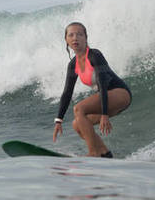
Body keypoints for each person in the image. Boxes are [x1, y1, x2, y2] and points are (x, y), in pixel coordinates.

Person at [52, 21, 132, 157]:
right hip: (106, 97)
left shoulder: (94, 55)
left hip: (120, 93)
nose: (75, 38)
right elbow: (67, 93)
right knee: (77, 124)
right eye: (71, 35)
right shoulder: (73, 65)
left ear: (86, 37)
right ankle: (104, 152)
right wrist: (59, 120)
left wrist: (105, 114)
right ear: (66, 40)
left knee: (78, 109)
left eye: (79, 34)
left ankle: (93, 153)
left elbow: (103, 84)